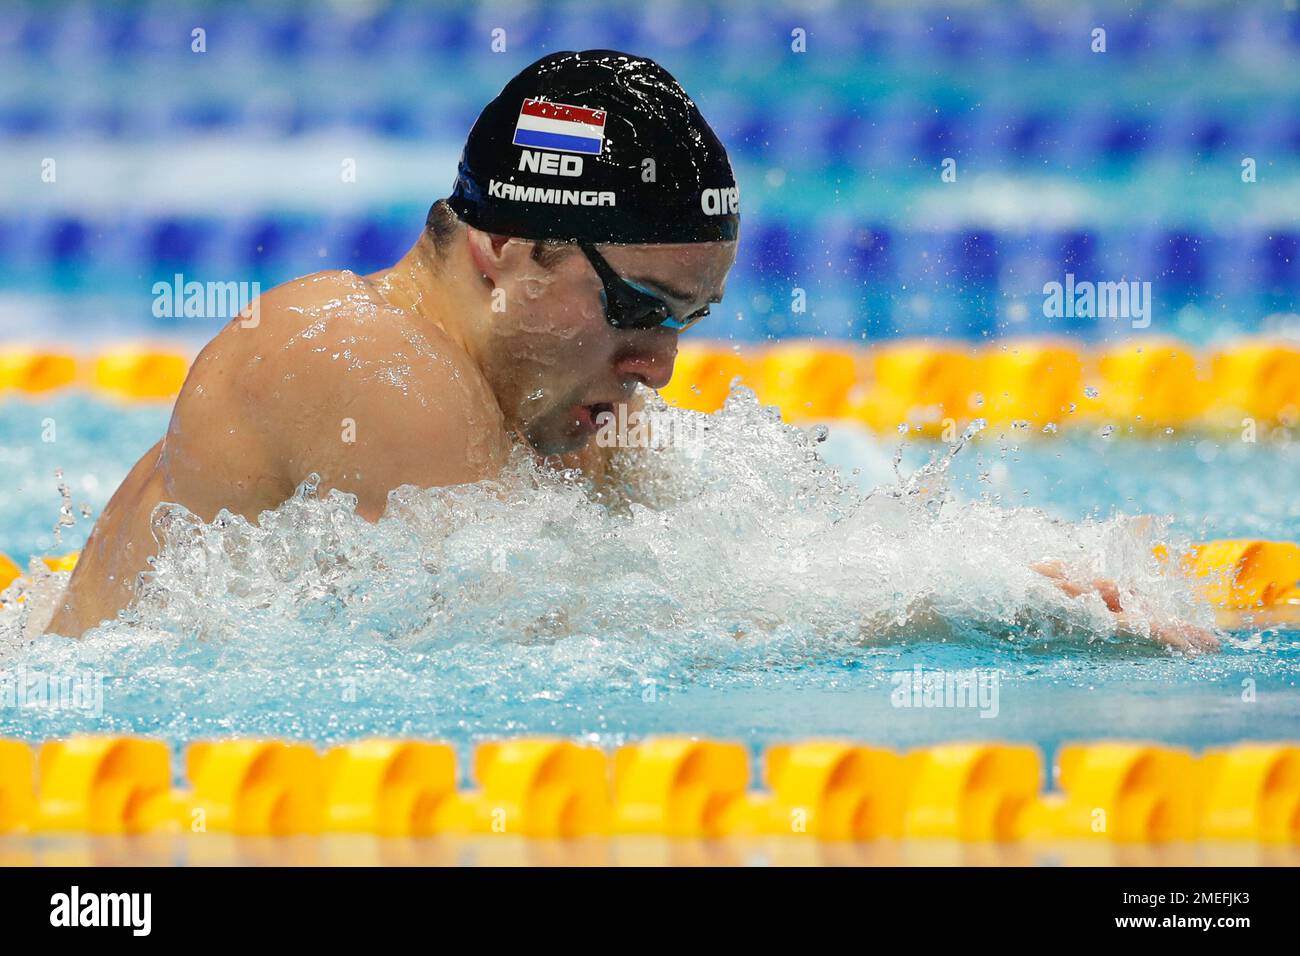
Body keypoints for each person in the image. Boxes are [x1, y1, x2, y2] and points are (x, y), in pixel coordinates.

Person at [45, 50, 1215, 652]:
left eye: (686, 321)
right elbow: (555, 632)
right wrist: (924, 609)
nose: (657, 364)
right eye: (640, 307)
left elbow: (718, 555)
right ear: (506, 248)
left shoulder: (529, 391)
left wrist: (1009, 559)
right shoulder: (360, 358)